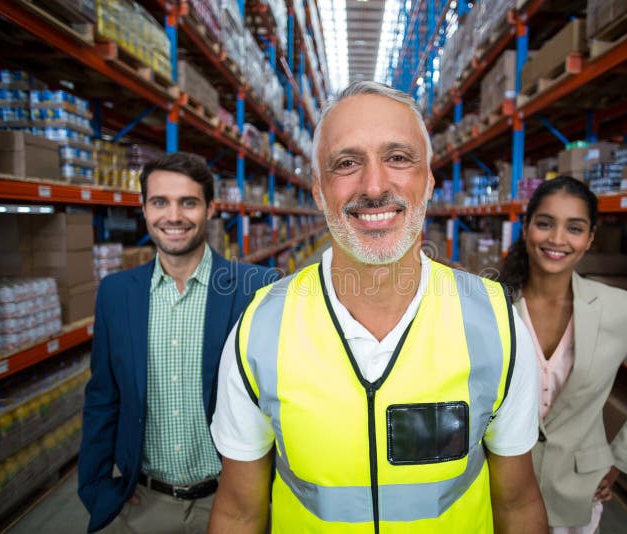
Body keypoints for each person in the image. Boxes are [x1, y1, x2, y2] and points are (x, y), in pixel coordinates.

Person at [208, 81, 547, 533]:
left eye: (398, 158)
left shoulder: (496, 324)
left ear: (429, 181)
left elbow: (518, 504)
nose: (373, 186)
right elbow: (238, 512)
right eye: (346, 163)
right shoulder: (260, 329)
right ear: (318, 191)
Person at [78, 151, 277, 533]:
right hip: (144, 503)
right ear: (143, 208)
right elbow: (102, 397)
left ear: (211, 208)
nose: (173, 216)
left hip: (232, 500)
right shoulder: (116, 294)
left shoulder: (255, 288)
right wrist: (97, 487)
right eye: (159, 202)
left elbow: (277, 398)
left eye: (188, 202)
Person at [500, 176, 627, 532]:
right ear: (526, 228)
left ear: (590, 238)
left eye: (574, 228)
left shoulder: (618, 308)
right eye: (545, 223)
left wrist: (620, 459)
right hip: (497, 488)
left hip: (576, 494)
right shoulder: (492, 303)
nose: (557, 239)